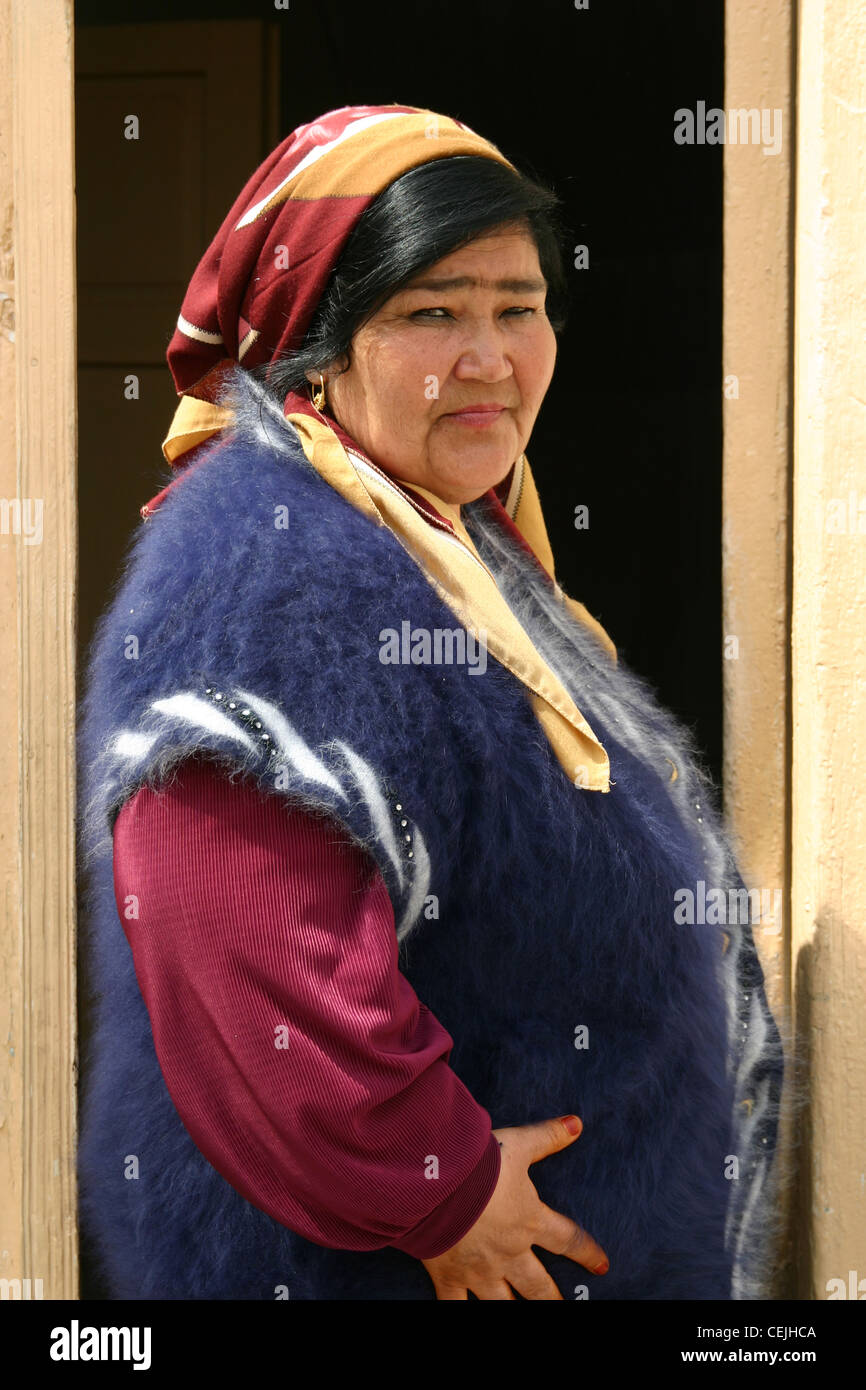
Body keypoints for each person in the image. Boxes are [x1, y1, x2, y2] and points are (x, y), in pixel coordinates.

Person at [77, 103, 784, 1302]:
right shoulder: (273, 556)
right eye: (429, 313)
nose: (489, 359)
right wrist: (439, 1192)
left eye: (517, 306)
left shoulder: (444, 544)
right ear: (318, 341)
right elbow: (236, 935)